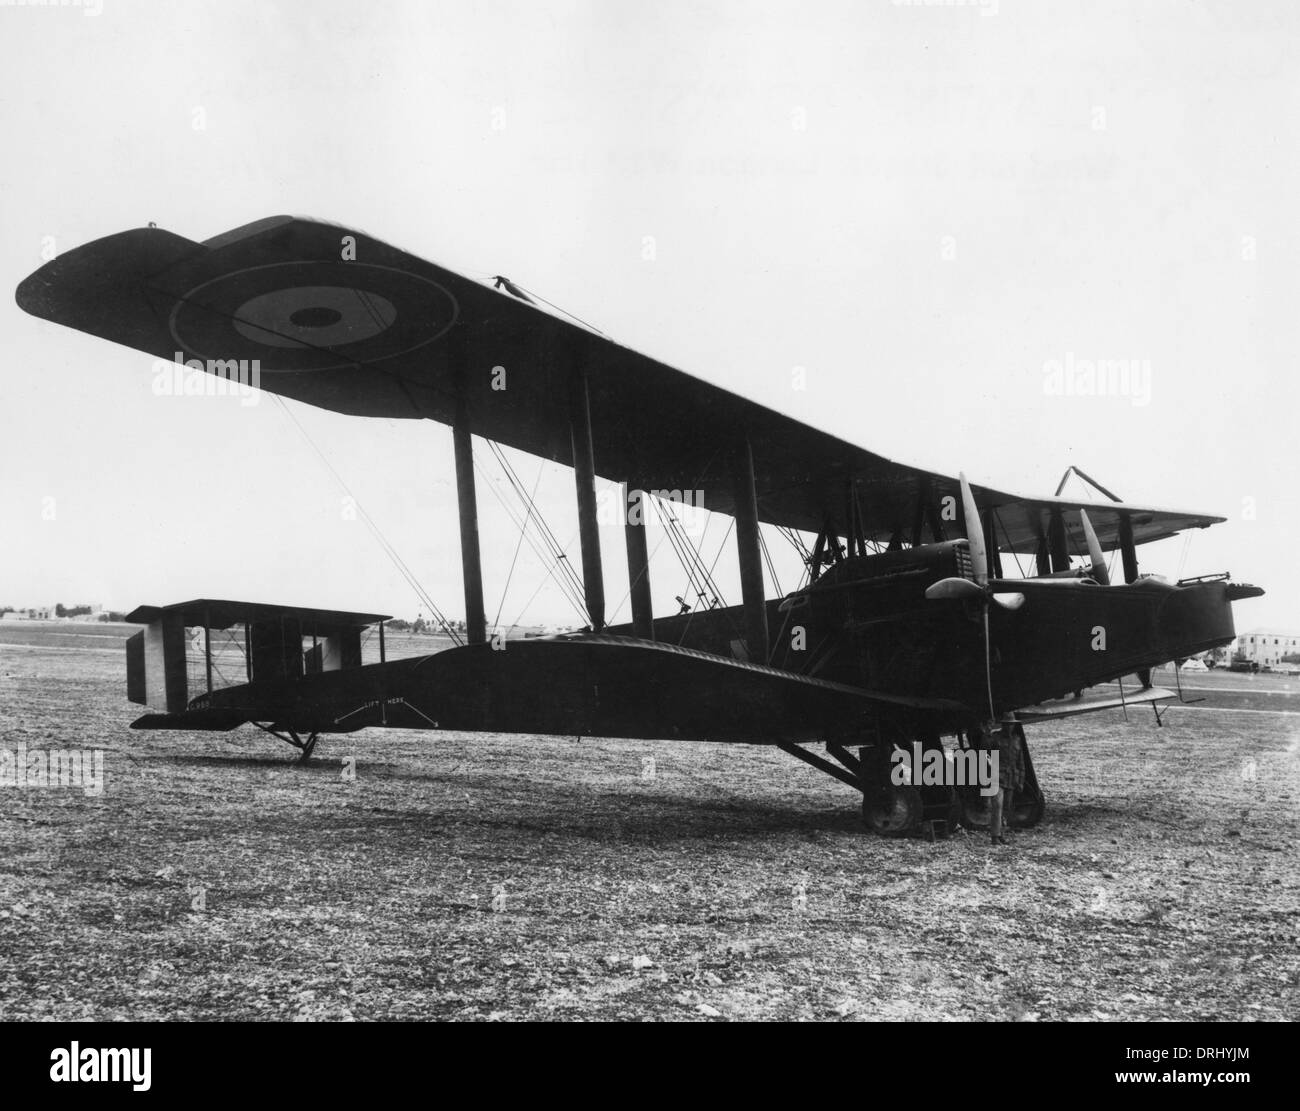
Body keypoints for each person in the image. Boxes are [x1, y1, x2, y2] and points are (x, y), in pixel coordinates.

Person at [989, 723, 1025, 845]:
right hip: (997, 777)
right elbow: (984, 750)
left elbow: (1020, 762)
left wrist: (1020, 781)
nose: (1009, 727)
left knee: (1006, 807)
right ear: (1003, 725)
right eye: (1007, 724)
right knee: (997, 806)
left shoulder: (1016, 740)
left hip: (1011, 779)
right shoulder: (995, 737)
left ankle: (1001, 834)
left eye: (1011, 725)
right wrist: (986, 733)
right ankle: (995, 836)